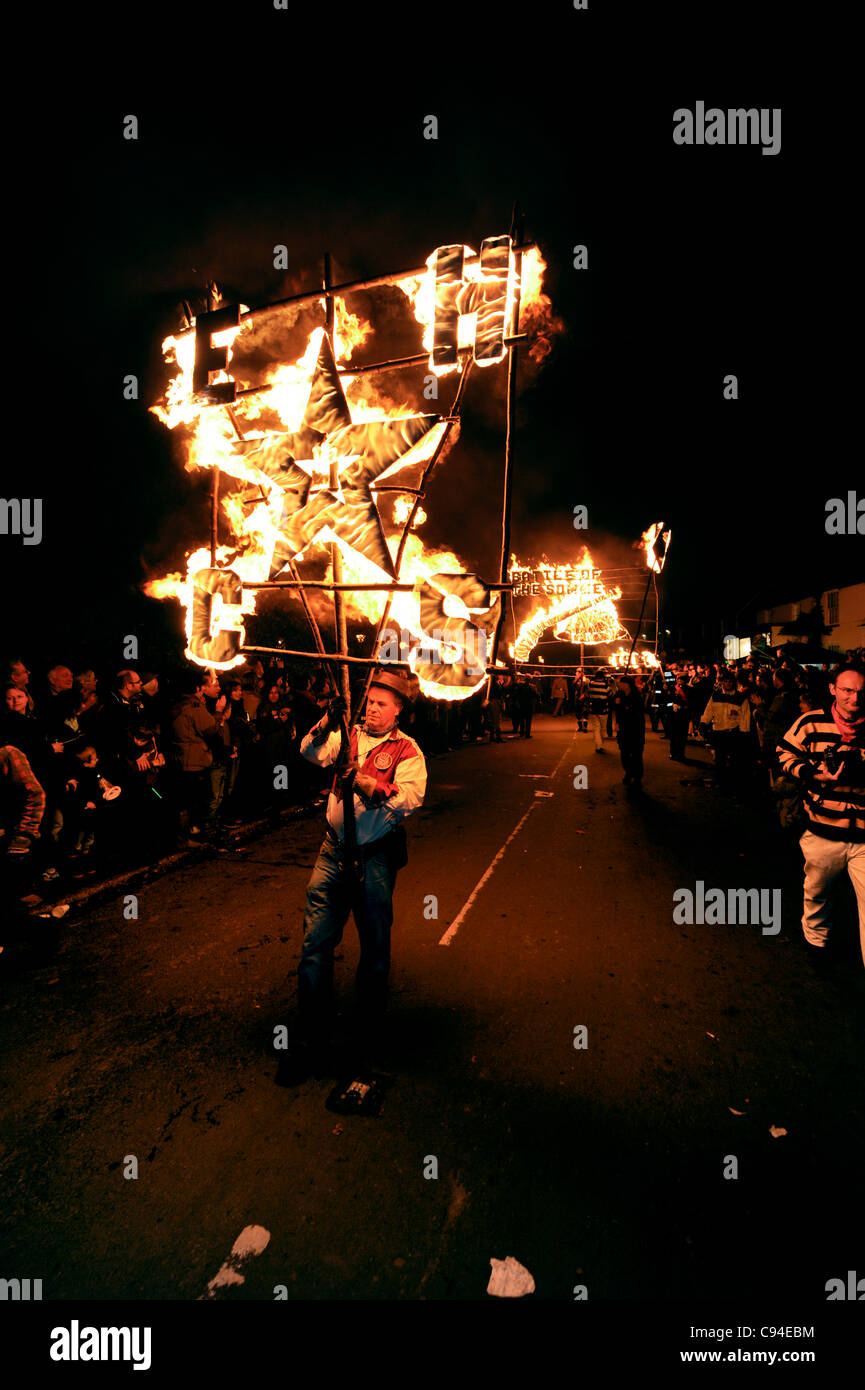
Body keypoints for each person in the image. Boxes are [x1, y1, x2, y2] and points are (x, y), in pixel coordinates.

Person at [276, 668, 427, 1085]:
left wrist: (362, 782)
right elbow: (308, 752)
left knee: (375, 952)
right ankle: (310, 1044)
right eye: (370, 702)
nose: (373, 709)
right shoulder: (348, 734)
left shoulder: (408, 751)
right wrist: (328, 720)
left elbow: (408, 800)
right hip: (332, 853)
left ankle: (366, 1046)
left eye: (382, 704)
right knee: (315, 948)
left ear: (398, 711)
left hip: (374, 859)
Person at [776, 664, 865, 968]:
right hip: (823, 830)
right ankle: (817, 942)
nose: (855, 698)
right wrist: (811, 773)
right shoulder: (811, 723)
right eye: (847, 690)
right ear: (833, 690)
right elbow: (784, 753)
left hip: (864, 836)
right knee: (816, 891)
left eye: (860, 692)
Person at [612, 674, 646, 788]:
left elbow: (637, 712)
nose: (620, 685)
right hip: (623, 729)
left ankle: (637, 777)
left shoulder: (636, 696)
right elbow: (616, 709)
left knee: (636, 755)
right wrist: (616, 703)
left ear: (627, 685)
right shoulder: (619, 694)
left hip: (635, 729)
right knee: (624, 754)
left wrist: (625, 706)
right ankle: (628, 772)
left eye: (622, 683)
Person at [585, 668, 610, 752]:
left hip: (593, 709)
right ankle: (601, 744)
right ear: (603, 677)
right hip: (604, 710)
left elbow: (588, 694)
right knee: (603, 728)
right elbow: (610, 695)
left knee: (596, 728)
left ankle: (598, 746)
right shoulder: (606, 685)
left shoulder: (591, 685)